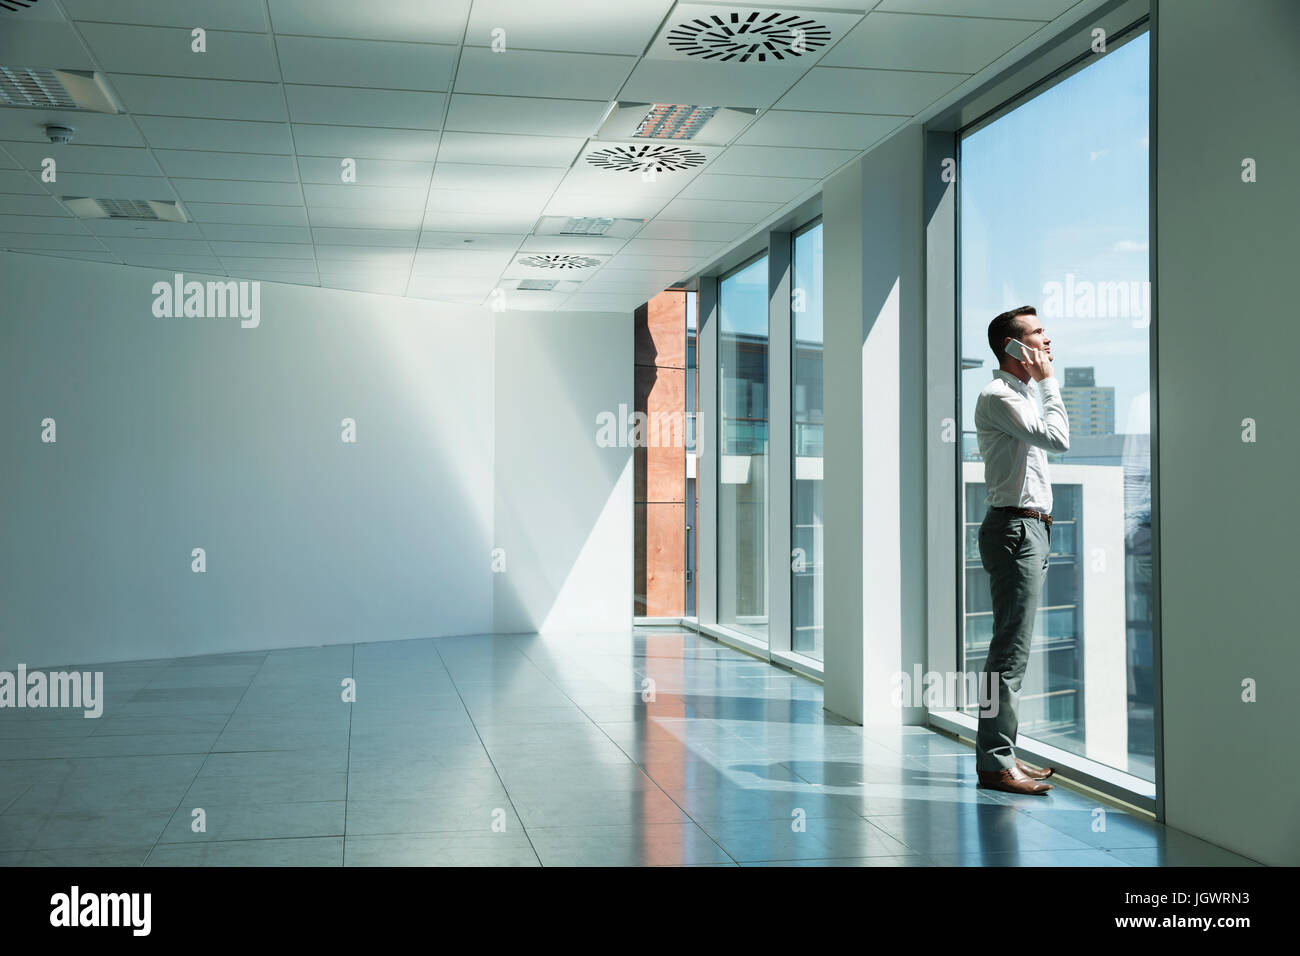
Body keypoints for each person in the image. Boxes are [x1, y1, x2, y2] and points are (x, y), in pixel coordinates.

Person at [972, 306, 1070, 795]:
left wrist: (1040, 385)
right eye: (1036, 334)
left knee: (1014, 651)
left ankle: (1003, 754)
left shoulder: (1020, 395)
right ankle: (993, 763)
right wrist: (1051, 382)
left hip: (1029, 529)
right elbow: (1058, 440)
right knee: (1007, 654)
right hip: (1014, 531)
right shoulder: (998, 396)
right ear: (1012, 347)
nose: (1046, 341)